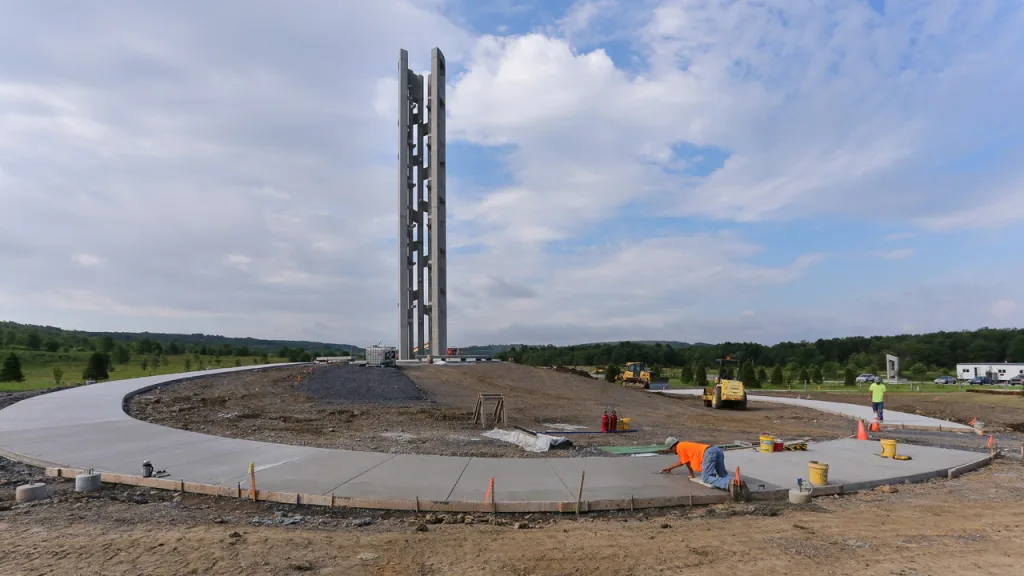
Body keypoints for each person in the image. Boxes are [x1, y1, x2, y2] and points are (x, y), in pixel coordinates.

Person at [658, 437, 748, 498]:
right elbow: (683, 461)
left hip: (708, 453)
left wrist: (691, 474)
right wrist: (670, 467)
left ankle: (729, 484)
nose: (672, 451)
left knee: (706, 478)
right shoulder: (683, 444)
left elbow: (686, 462)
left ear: (672, 446)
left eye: (670, 449)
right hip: (716, 450)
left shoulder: (679, 448)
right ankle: (738, 482)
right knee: (723, 475)